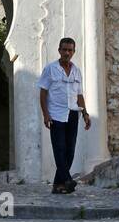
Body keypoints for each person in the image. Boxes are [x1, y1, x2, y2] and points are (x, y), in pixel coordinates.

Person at [38, 37, 92, 195]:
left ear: (74, 52)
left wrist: (85, 113)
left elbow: (79, 95)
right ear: (59, 50)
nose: (67, 53)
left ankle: (57, 185)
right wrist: (45, 114)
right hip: (56, 115)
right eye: (64, 49)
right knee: (59, 149)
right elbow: (43, 93)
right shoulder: (50, 69)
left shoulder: (76, 71)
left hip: (73, 114)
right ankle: (67, 180)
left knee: (70, 151)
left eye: (70, 50)